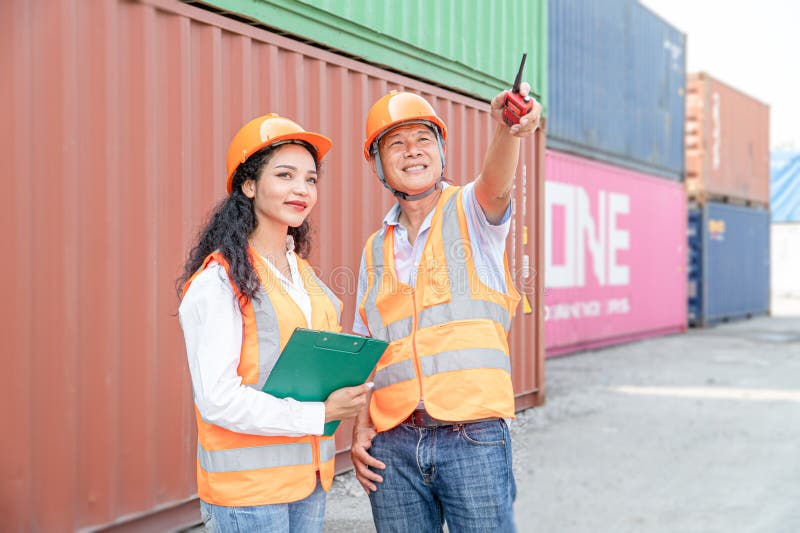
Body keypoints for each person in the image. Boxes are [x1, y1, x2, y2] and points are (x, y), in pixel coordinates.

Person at [349, 87, 542, 532]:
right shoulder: (374, 249)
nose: (412, 151)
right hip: (392, 444)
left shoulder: (473, 212)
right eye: (396, 143)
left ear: (441, 151)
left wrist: (509, 129)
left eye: (423, 139)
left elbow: (497, 183)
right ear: (378, 164)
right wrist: (360, 432)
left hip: (471, 436)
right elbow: (365, 350)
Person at [178, 114, 371, 533]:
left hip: (308, 482)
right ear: (248, 185)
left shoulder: (304, 276)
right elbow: (217, 399)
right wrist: (320, 413)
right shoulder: (219, 281)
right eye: (285, 175)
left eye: (310, 179)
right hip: (248, 495)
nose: (301, 189)